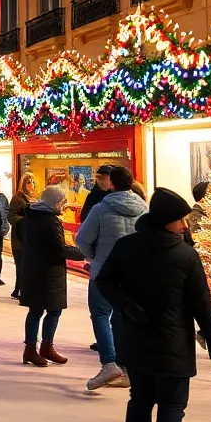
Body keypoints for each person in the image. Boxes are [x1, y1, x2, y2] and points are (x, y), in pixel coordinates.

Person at [95, 188, 211, 422]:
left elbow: (105, 282)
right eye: (180, 220)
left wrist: (126, 306)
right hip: (172, 345)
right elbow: (201, 303)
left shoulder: (127, 246)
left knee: (140, 402)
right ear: (167, 220)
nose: (184, 225)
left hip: (137, 341)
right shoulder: (185, 254)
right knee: (172, 406)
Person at [76, 164, 146, 390]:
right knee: (122, 316)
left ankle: (109, 363)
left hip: (104, 271)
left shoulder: (101, 208)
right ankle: (125, 367)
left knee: (99, 313)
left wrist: (93, 256)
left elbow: (82, 239)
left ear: (111, 183)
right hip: (133, 273)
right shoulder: (143, 207)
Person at [18, 185, 85, 366]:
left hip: (33, 268)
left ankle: (32, 349)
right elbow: (59, 248)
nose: (63, 206)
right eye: (62, 202)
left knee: (36, 310)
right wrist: (83, 253)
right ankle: (43, 347)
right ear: (55, 202)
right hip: (48, 272)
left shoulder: (31, 216)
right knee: (52, 310)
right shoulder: (50, 220)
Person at [8, 173, 35, 300]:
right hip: (20, 238)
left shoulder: (32, 198)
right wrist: (25, 221)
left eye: (33, 182)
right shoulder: (18, 198)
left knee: (28, 266)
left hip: (30, 238)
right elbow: (11, 217)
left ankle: (20, 289)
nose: (32, 185)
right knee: (21, 265)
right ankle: (20, 290)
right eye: (29, 182)